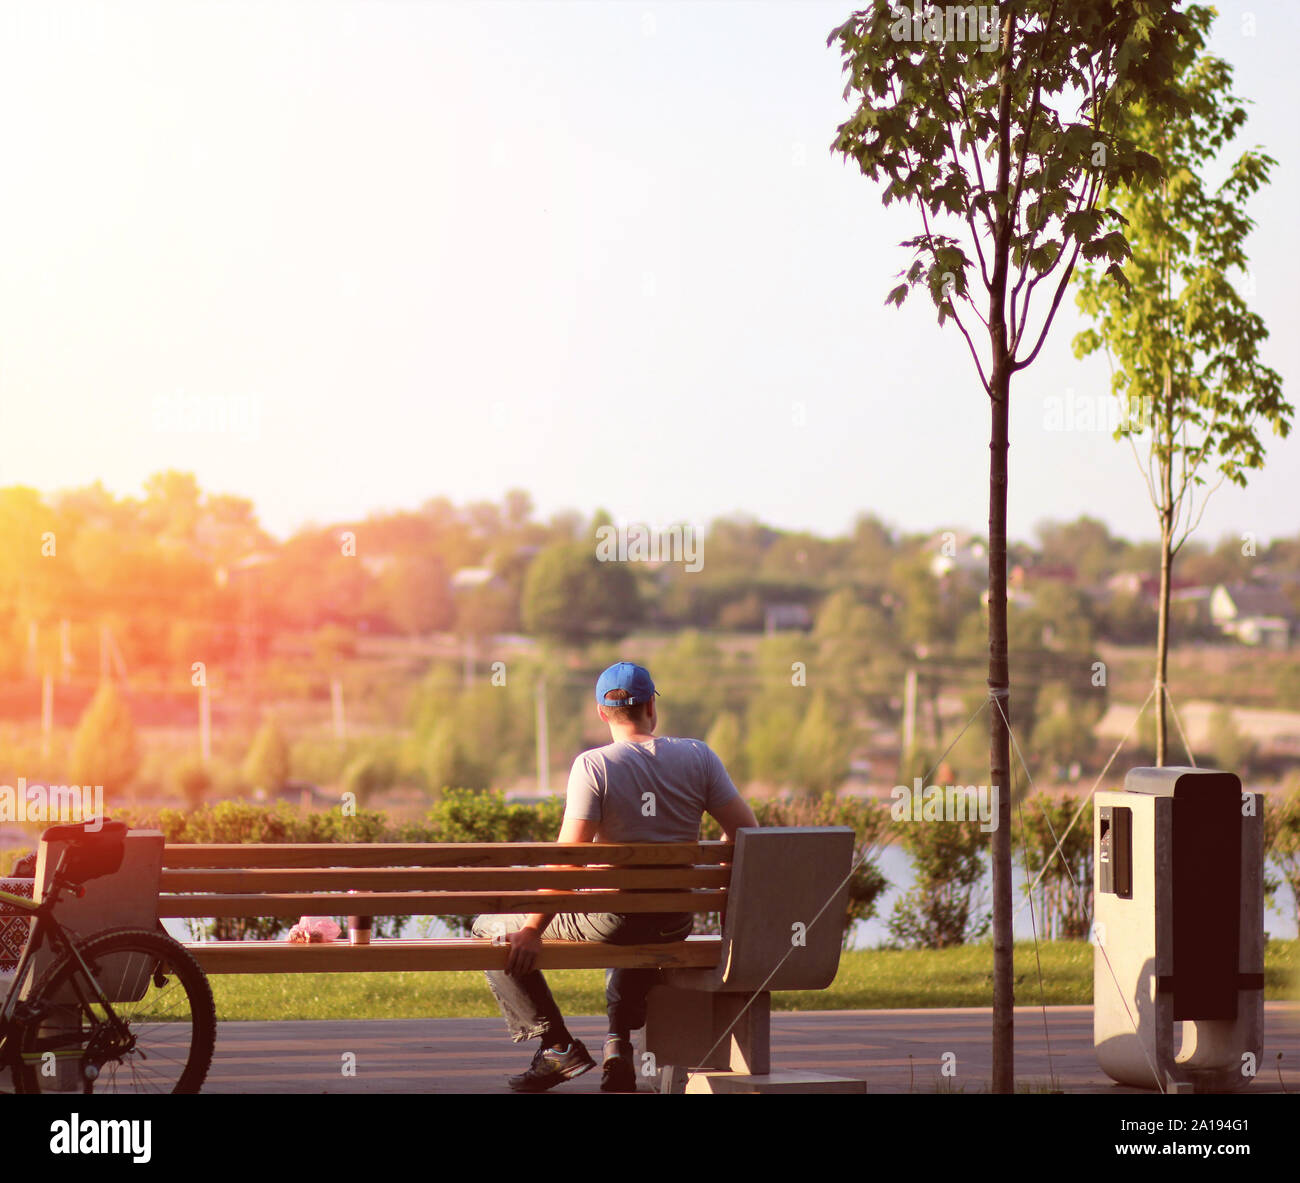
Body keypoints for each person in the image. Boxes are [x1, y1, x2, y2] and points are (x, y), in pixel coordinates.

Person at [472, 661, 758, 1093]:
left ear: (602, 713)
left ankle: (558, 1048)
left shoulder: (594, 766)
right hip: (676, 919)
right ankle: (617, 1046)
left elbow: (569, 861)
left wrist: (532, 929)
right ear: (651, 708)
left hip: (614, 920)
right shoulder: (700, 756)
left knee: (486, 929)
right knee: (636, 921)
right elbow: (745, 832)